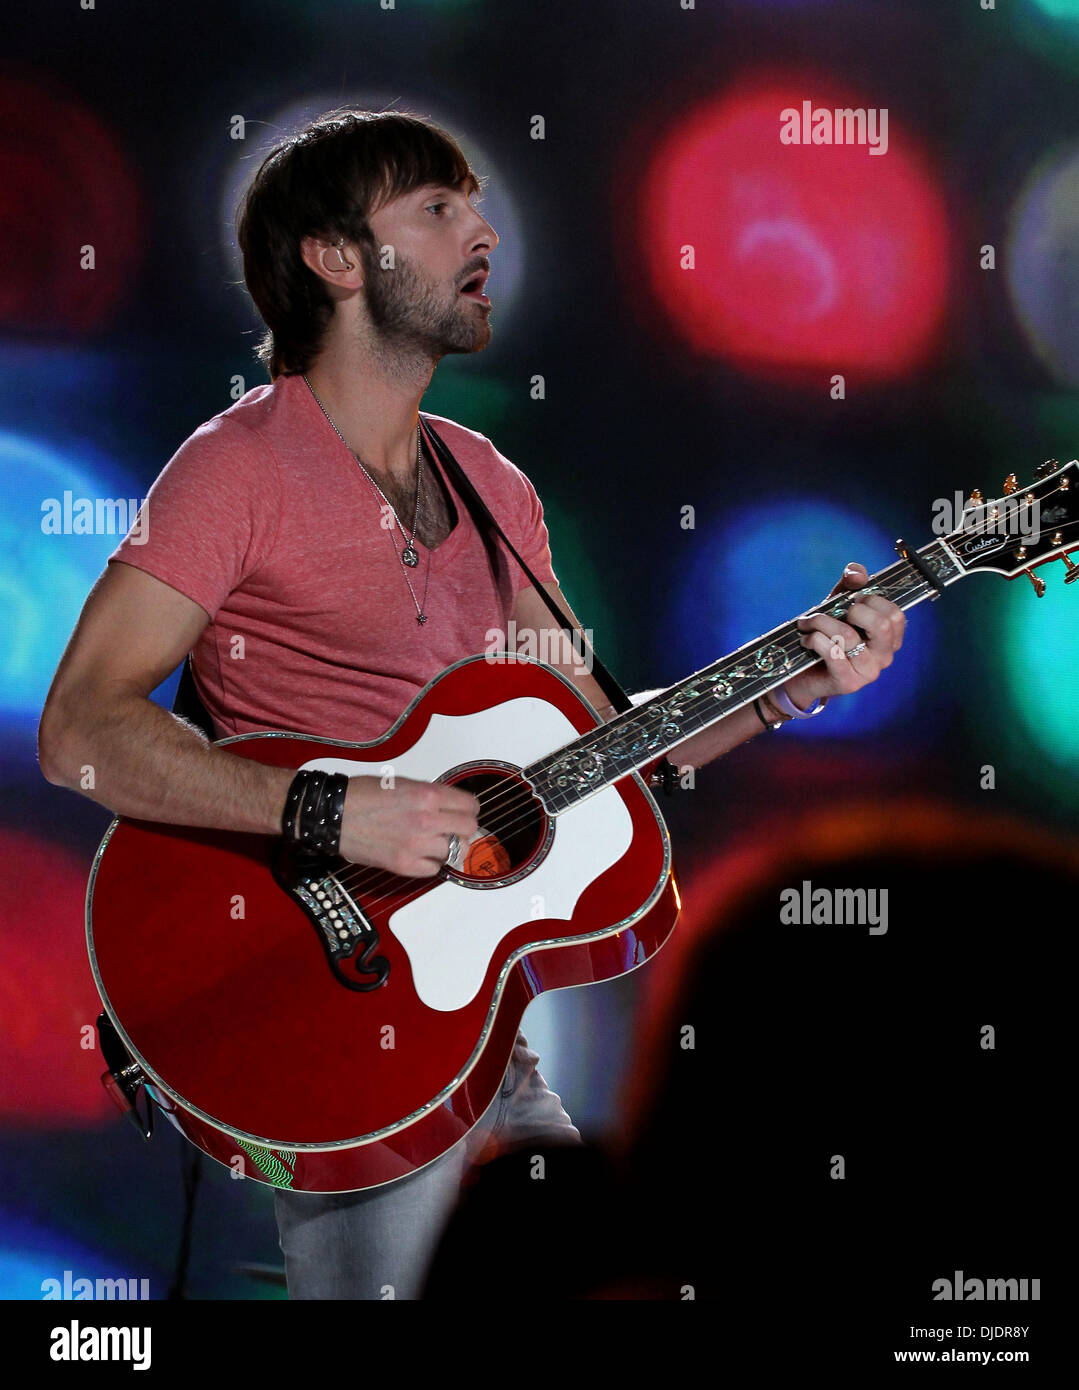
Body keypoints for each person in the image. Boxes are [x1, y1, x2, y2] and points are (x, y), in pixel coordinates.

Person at [37, 108, 907, 1299]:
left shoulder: (489, 480)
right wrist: (335, 810)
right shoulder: (232, 469)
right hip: (330, 1003)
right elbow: (79, 730)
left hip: (478, 1027)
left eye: (476, 203)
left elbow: (600, 742)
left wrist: (792, 686)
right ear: (335, 259)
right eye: (437, 209)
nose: (481, 230)